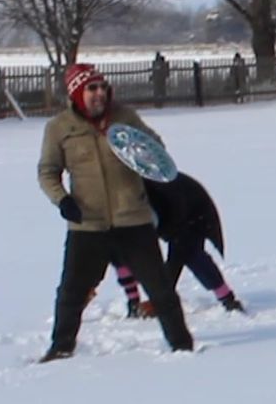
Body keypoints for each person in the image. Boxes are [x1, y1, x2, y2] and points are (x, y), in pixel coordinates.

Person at [36, 64, 194, 362]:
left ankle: (182, 344)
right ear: (76, 94)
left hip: (132, 219)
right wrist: (62, 200)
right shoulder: (59, 128)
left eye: (102, 88)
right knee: (71, 292)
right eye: (91, 89)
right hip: (87, 224)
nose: (99, 94)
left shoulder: (125, 117)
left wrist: (135, 145)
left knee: (160, 289)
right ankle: (61, 348)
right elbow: (47, 172)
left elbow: (156, 150)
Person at [115, 173, 245, 315]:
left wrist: (160, 299)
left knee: (192, 255)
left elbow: (175, 261)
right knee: (122, 252)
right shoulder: (123, 206)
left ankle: (228, 300)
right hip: (161, 211)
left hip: (194, 212)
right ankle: (133, 304)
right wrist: (134, 302)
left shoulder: (171, 208)